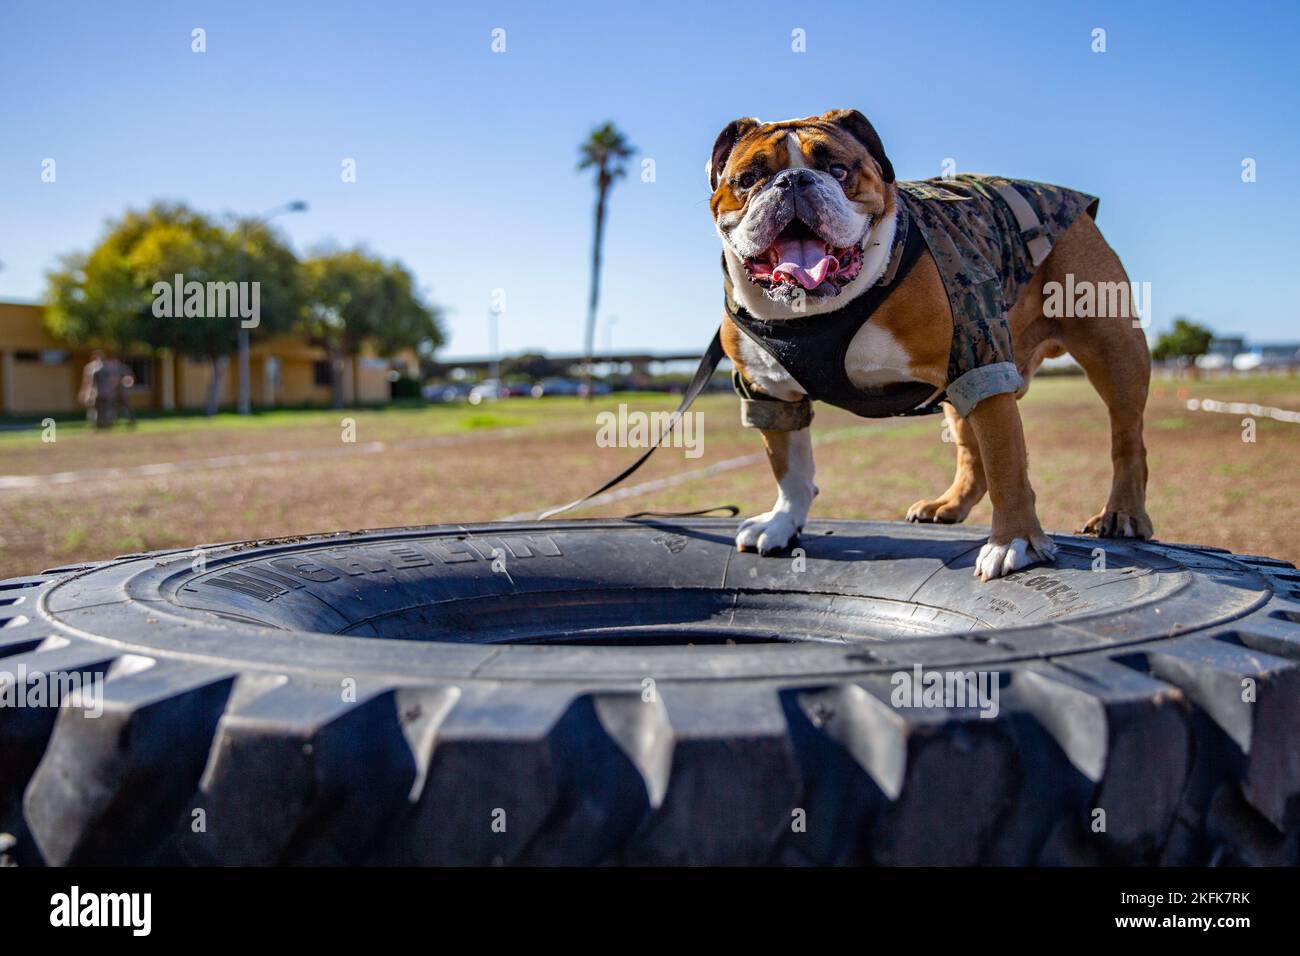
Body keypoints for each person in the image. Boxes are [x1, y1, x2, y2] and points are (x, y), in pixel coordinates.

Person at [79, 351, 115, 429]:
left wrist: (85, 392)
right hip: (107, 391)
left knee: (93, 409)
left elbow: (88, 381)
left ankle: (94, 425)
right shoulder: (108, 367)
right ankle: (107, 424)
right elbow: (113, 380)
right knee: (106, 408)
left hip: (94, 392)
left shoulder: (90, 367)